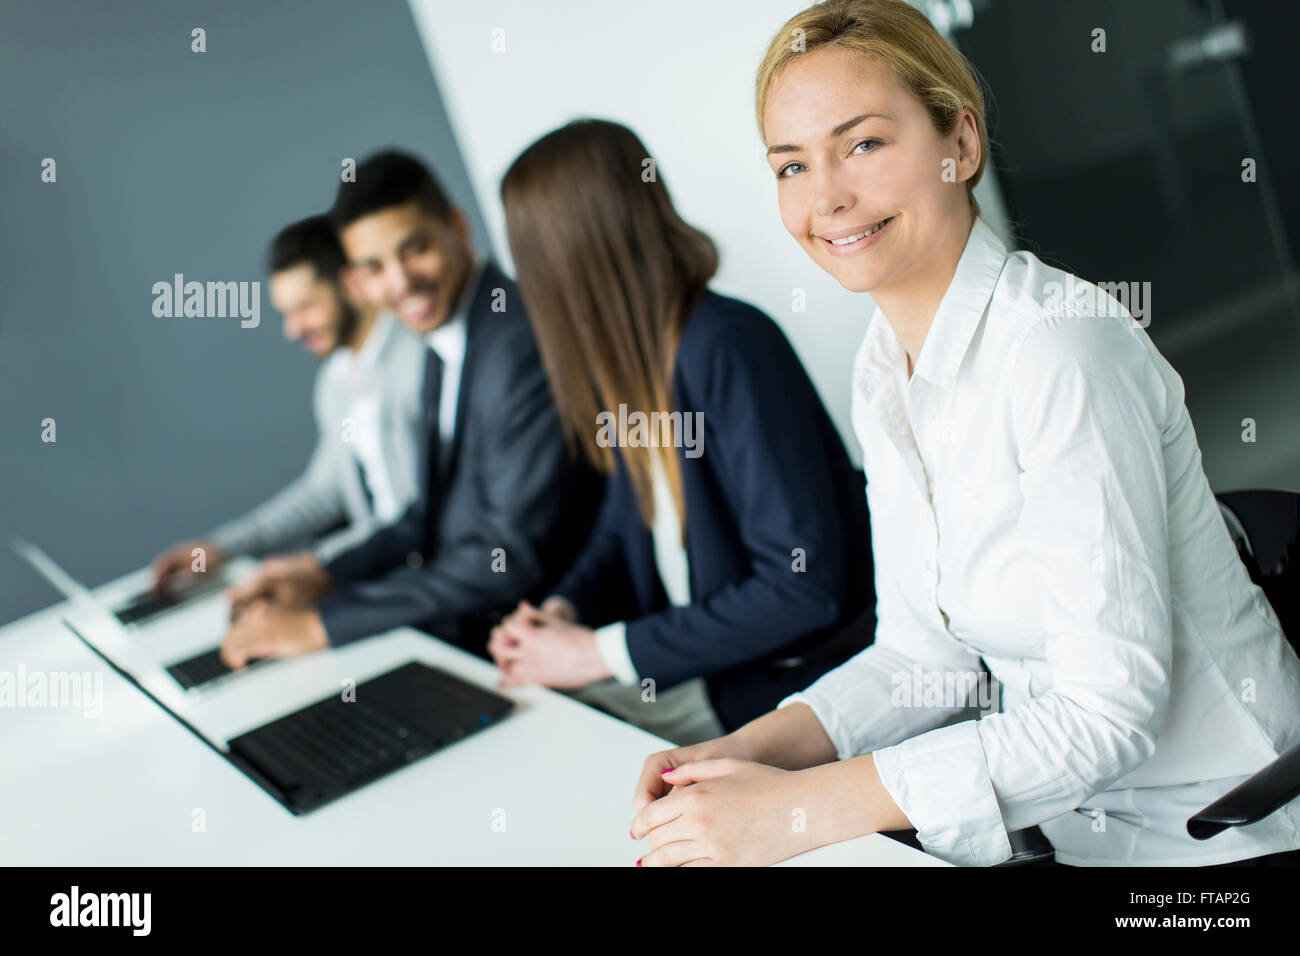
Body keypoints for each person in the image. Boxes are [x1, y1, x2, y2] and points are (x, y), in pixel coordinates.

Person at [629, 0, 1300, 866]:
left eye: (863, 144)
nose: (826, 195)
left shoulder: (1059, 347)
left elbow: (1107, 716)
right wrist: (744, 754)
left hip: (1221, 835)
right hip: (1075, 822)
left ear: (961, 146)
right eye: (791, 165)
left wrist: (801, 810)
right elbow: (921, 651)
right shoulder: (885, 367)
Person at [488, 119, 875, 746]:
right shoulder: (637, 365)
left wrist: (597, 655)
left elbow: (801, 588)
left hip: (776, 695)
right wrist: (561, 613)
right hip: (708, 678)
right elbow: (623, 526)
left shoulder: (728, 345)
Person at [219, 151, 600, 665]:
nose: (399, 283)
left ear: (457, 229)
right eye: (375, 268)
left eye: (415, 249)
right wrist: (325, 574)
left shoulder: (515, 343)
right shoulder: (443, 340)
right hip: (487, 639)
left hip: (557, 648)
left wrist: (322, 624)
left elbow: (507, 555)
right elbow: (428, 514)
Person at [151, 215, 425, 593]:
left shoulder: (418, 361)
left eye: (306, 307)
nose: (292, 329)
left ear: (352, 285)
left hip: (425, 583)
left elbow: (416, 516)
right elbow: (322, 493)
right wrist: (221, 549)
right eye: (287, 313)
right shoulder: (336, 381)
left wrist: (316, 566)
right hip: (385, 581)